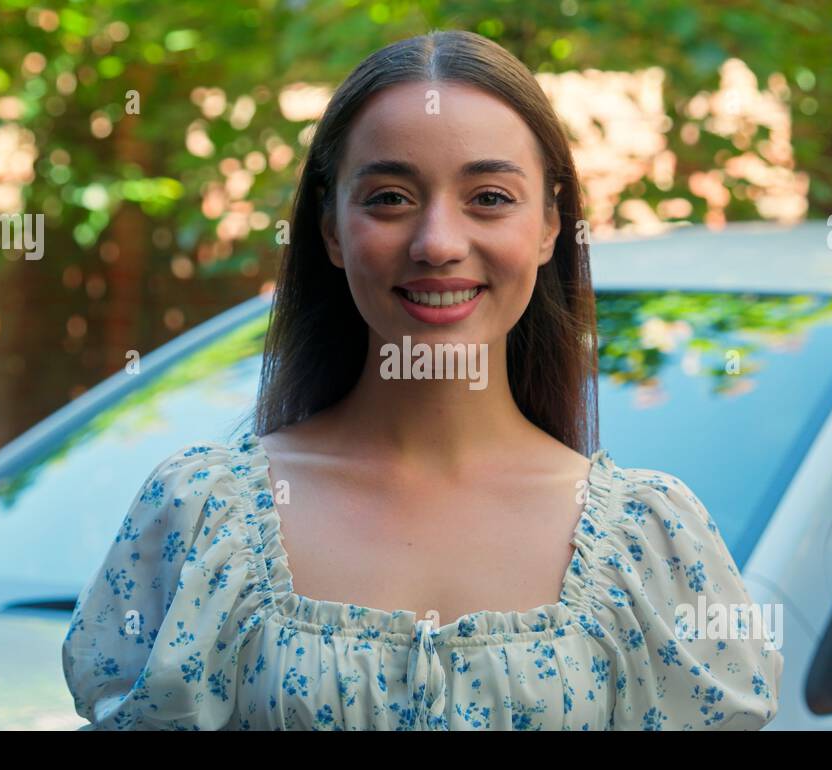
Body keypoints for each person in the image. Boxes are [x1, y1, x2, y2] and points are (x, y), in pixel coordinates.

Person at [62, 29, 782, 730]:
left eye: (490, 197)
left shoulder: (648, 544)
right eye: (390, 199)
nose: (437, 242)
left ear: (549, 226)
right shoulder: (200, 521)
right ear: (332, 231)